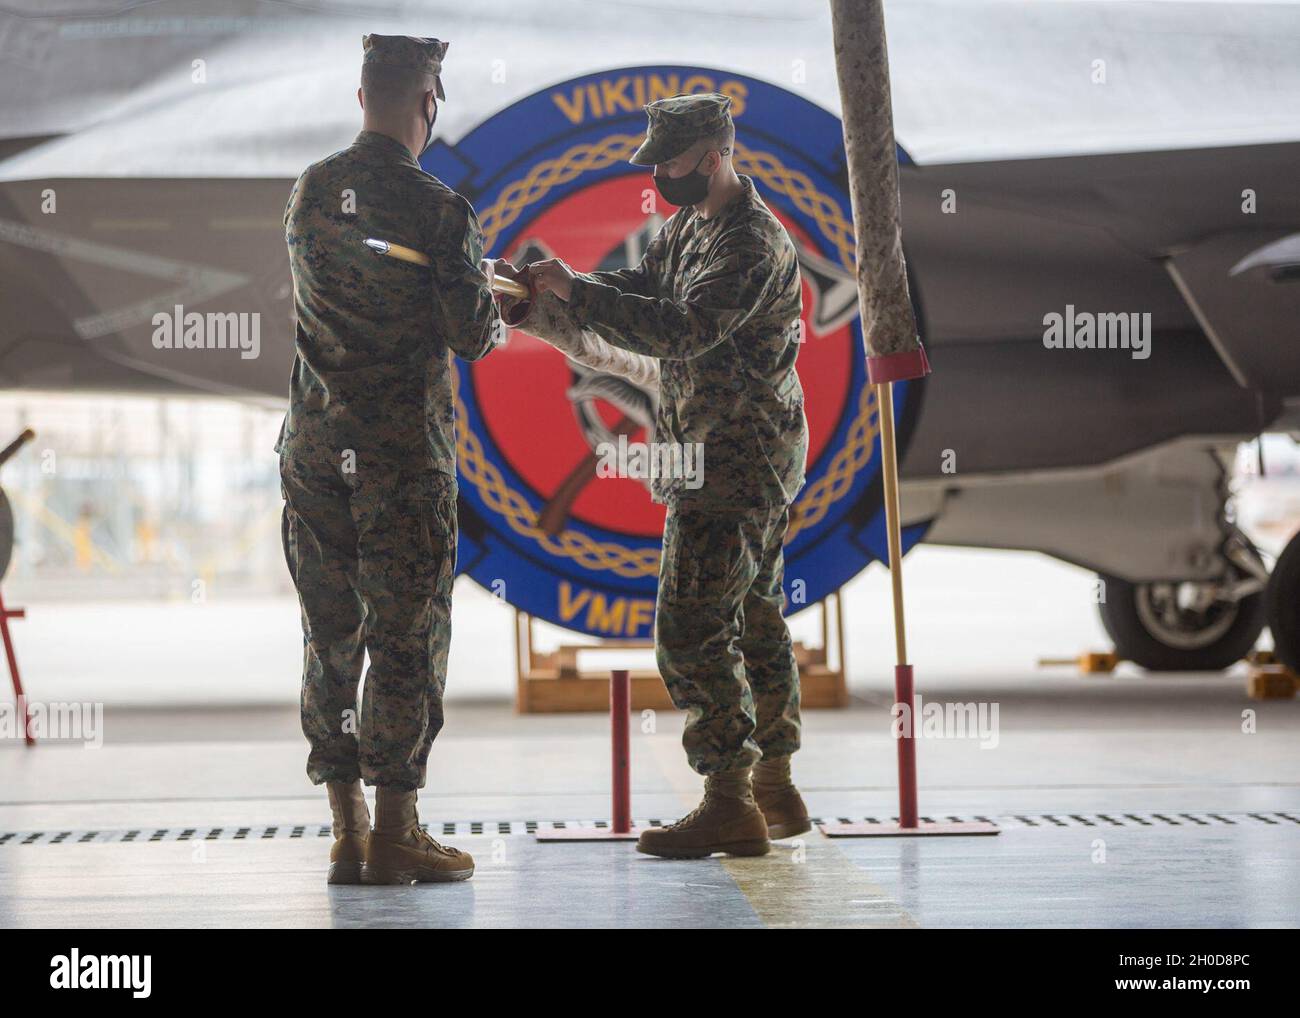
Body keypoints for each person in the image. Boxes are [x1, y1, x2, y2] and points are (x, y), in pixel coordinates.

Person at [503, 93, 812, 858]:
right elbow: (650, 290)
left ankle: (728, 800)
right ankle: (774, 788)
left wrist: (580, 296)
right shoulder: (690, 228)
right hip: (730, 457)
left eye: (669, 163)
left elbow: (682, 331)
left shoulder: (751, 242)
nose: (659, 176)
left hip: (733, 464)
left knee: (690, 630)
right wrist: (569, 281)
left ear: (712, 155)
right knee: (754, 620)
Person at [278, 34, 499, 884]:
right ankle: (398, 829)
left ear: (360, 95)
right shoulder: (437, 208)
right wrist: (486, 285)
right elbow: (473, 334)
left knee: (331, 634)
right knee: (406, 636)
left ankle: (345, 825)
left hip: (314, 447)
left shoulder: (310, 191)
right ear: (429, 102)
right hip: (400, 458)